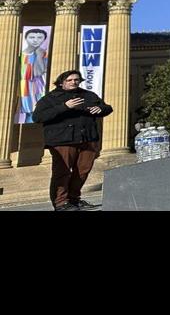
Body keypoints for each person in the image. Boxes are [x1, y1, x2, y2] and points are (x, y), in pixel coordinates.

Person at [31, 70, 112, 211]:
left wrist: (100, 109)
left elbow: (107, 107)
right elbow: (38, 117)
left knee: (83, 171)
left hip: (88, 138)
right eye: (70, 80)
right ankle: (61, 203)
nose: (74, 82)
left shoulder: (88, 95)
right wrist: (65, 106)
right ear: (61, 82)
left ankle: (74, 199)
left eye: (76, 80)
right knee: (62, 172)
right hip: (63, 140)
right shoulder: (50, 98)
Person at [18, 28, 50, 123]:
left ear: (44, 39)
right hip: (23, 85)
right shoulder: (21, 54)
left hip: (37, 86)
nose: (36, 40)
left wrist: (39, 56)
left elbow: (39, 72)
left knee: (34, 111)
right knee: (28, 111)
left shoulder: (43, 53)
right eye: (32, 37)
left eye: (40, 37)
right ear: (26, 38)